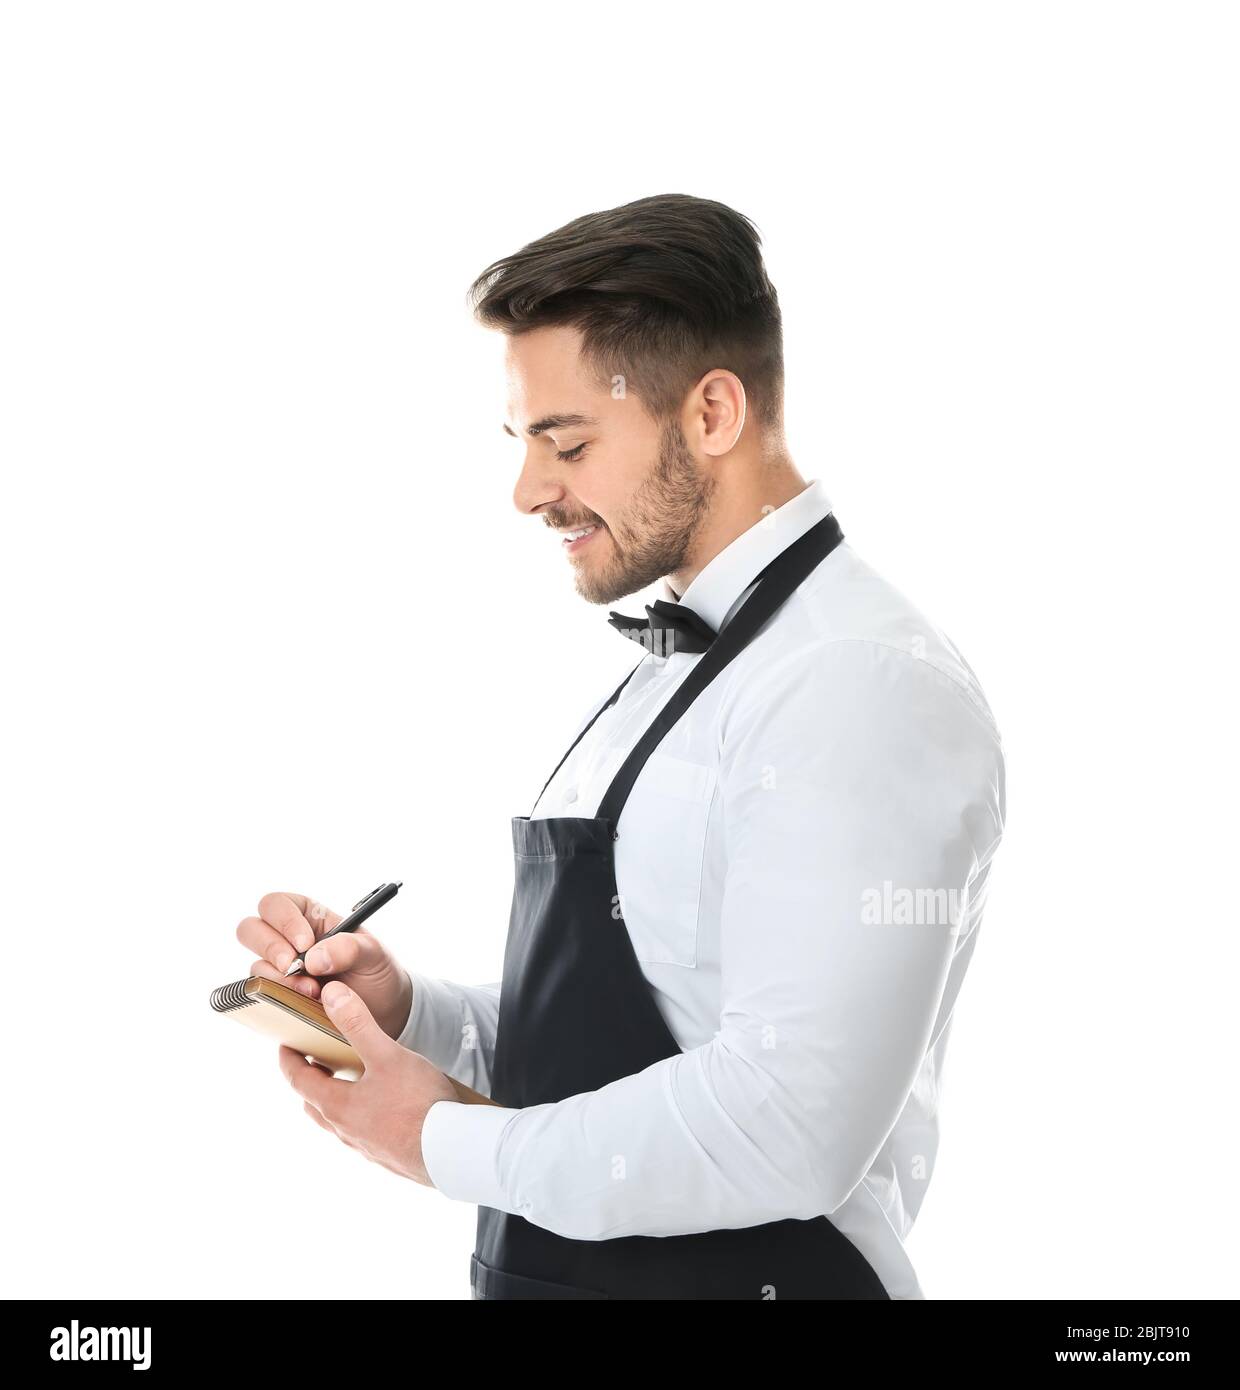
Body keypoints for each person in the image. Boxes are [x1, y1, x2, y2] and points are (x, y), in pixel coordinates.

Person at [237, 193, 1006, 1300]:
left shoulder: (857, 681)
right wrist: (408, 1009)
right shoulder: (672, 666)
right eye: (521, 443)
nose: (526, 491)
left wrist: (442, 1140)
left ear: (711, 413)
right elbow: (628, 1037)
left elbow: (788, 1120)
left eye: (569, 442)